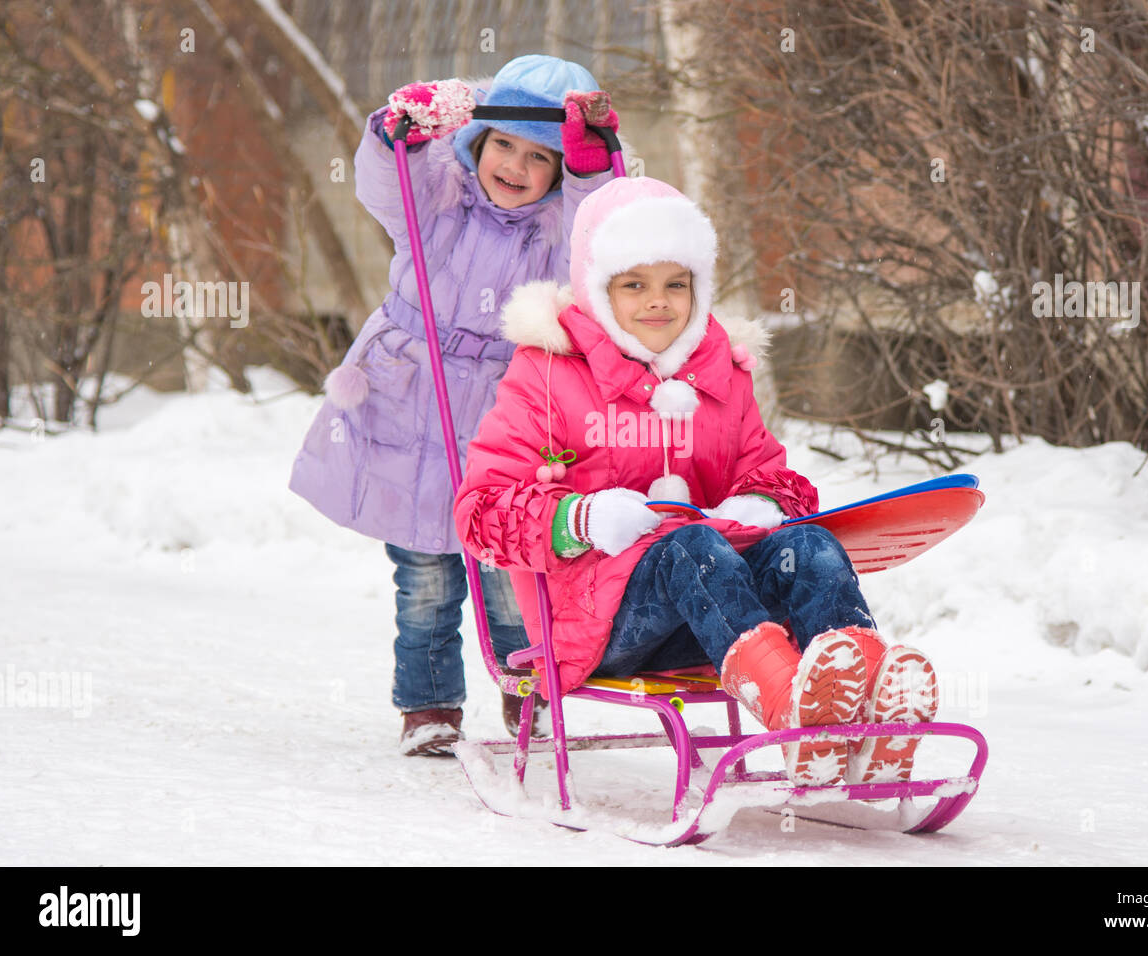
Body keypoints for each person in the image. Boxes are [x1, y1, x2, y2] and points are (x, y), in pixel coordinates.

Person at [454, 176, 940, 787]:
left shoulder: (722, 375)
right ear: (598, 290)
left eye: (675, 284)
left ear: (697, 287)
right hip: (597, 627)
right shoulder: (547, 375)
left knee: (809, 546)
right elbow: (480, 510)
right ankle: (796, 717)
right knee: (688, 547)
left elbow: (772, 474)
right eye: (634, 284)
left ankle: (864, 715)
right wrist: (578, 518)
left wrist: (764, 500)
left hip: (721, 621)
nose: (658, 302)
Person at [289, 55, 619, 756]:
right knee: (425, 576)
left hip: (508, 413)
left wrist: (595, 169)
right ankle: (429, 706)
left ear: (560, 172)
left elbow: (605, 234)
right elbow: (388, 181)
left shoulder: (557, 236)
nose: (517, 166)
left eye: (541, 157)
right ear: (477, 143)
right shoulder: (438, 202)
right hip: (414, 401)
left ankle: (526, 689)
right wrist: (394, 134)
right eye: (503, 144)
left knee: (511, 572)